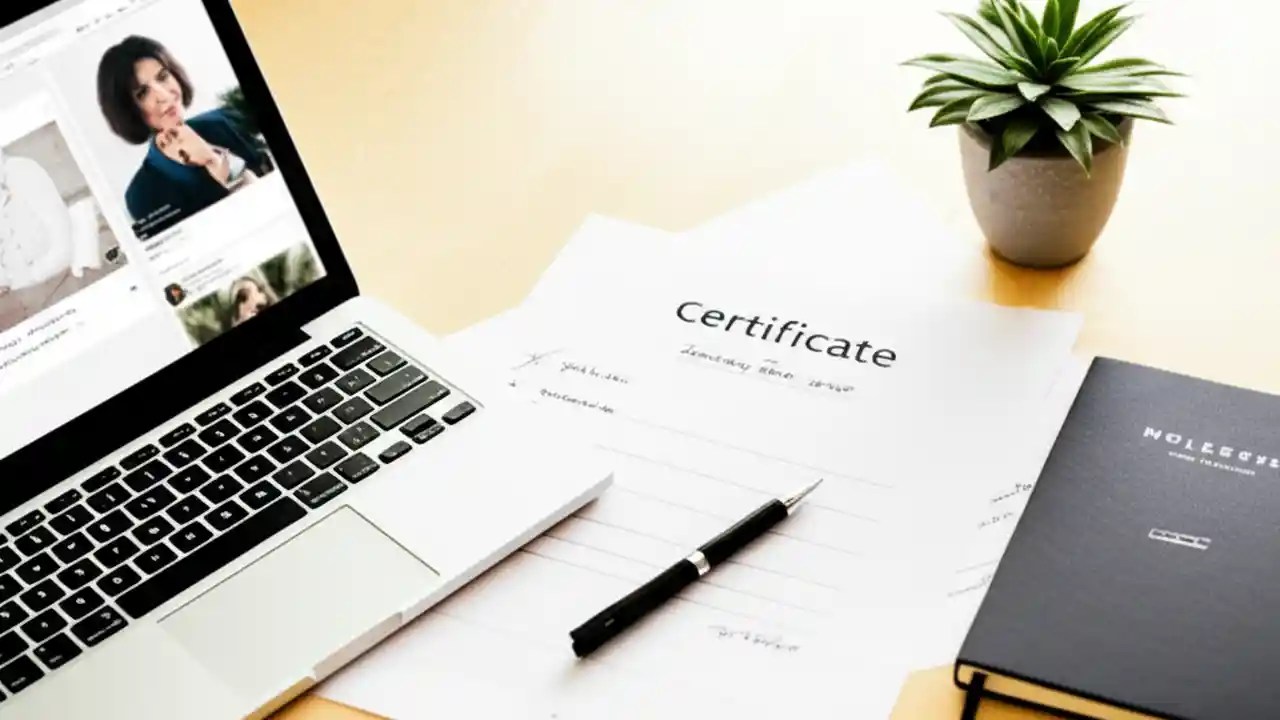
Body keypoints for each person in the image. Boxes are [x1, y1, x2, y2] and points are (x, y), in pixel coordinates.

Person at [96, 36, 269, 225]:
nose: (163, 95)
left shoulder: (226, 121)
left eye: (163, 77)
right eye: (142, 93)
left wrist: (214, 159)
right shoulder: (141, 196)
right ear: (128, 110)